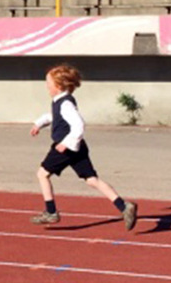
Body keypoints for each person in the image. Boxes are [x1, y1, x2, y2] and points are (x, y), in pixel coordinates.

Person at [29, 63, 138, 230]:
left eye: (48, 84)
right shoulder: (61, 102)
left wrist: (66, 143)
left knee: (42, 174)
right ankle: (124, 207)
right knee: (92, 180)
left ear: (58, 86)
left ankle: (51, 212)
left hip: (65, 149)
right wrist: (39, 123)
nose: (46, 87)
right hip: (77, 147)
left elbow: (79, 124)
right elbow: (55, 117)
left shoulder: (65, 104)